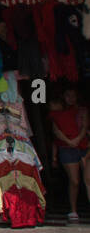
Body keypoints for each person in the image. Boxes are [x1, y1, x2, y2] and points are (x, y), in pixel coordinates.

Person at [50, 83, 90, 221]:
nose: (71, 98)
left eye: (73, 96)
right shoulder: (57, 111)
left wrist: (77, 140)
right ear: (63, 97)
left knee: (88, 180)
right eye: (68, 96)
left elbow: (85, 126)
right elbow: (56, 131)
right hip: (67, 148)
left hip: (83, 147)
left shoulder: (82, 110)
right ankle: (73, 210)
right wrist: (69, 141)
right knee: (75, 181)